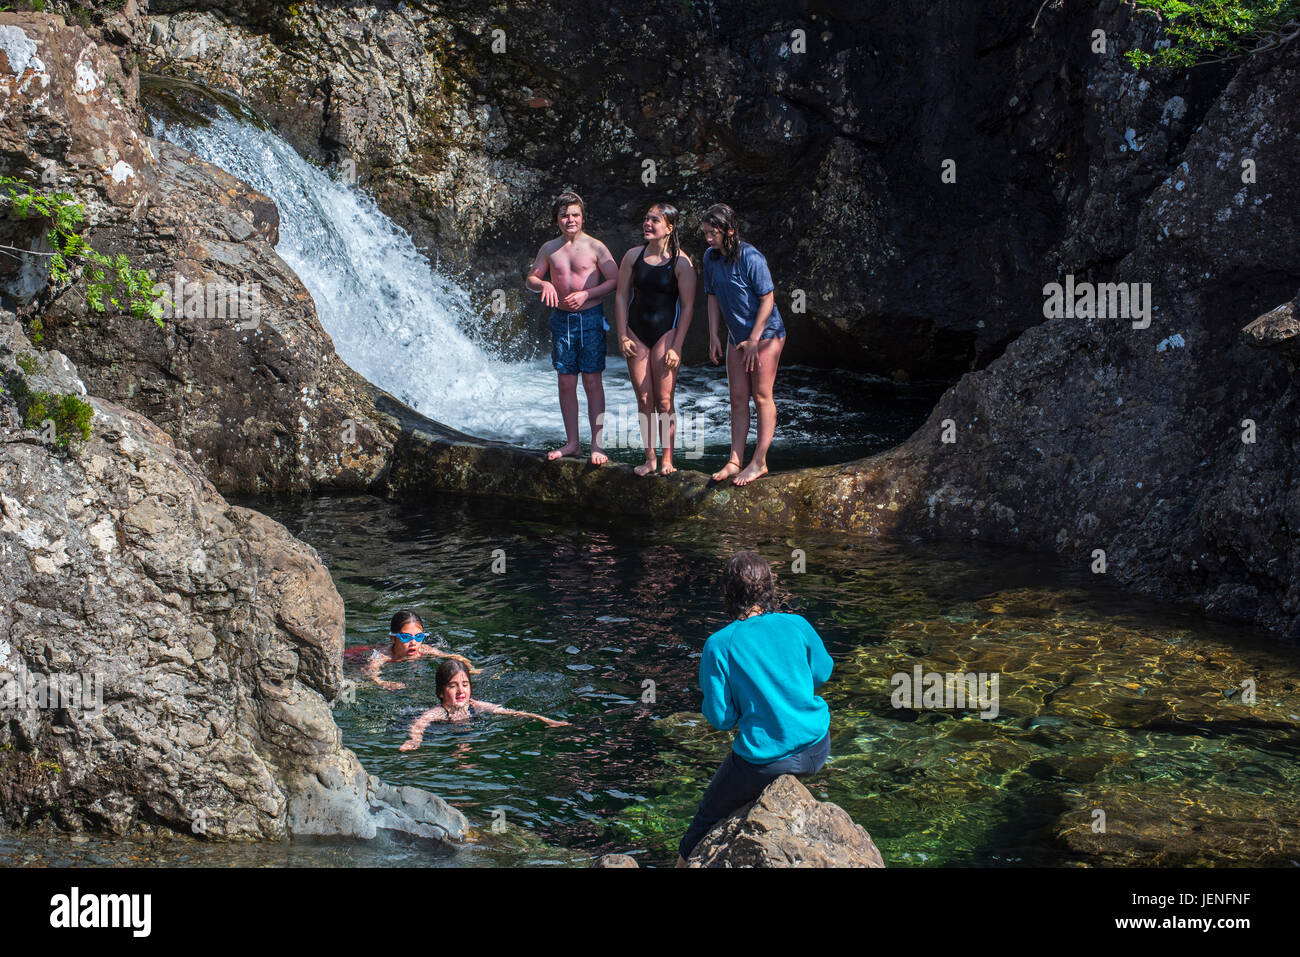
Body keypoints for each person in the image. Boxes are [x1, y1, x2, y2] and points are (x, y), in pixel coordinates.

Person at [676, 550, 833, 866]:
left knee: (706, 816)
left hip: (765, 763)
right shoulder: (798, 624)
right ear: (770, 589)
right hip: (818, 747)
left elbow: (721, 718)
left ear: (727, 592)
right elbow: (822, 672)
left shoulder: (720, 644)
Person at [526, 190, 620, 466]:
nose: (570, 219)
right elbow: (531, 278)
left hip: (590, 318)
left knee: (592, 381)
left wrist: (587, 295)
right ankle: (572, 443)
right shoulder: (549, 248)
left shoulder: (596, 247)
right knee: (566, 381)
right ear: (557, 219)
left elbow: (614, 280)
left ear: (583, 217)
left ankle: (597, 445)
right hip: (561, 320)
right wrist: (542, 283)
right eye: (565, 215)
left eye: (575, 214)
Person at [701, 203, 786, 486]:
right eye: (706, 233)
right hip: (736, 337)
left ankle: (759, 461)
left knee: (761, 396)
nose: (709, 239)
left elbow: (768, 298)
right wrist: (714, 334)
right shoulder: (710, 258)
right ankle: (735, 460)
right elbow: (712, 297)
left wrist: (754, 339)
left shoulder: (751, 257)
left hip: (766, 334)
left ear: (730, 231)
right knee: (738, 397)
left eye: (713, 233)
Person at [613, 202, 696, 476]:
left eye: (654, 221)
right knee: (644, 399)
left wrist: (677, 346)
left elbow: (687, 307)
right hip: (636, 333)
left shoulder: (681, 262)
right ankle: (650, 459)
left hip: (666, 334)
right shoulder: (632, 256)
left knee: (664, 401)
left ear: (669, 228)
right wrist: (622, 333)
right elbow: (622, 295)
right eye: (646, 219)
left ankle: (668, 459)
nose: (647, 224)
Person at [399, 659, 570, 750]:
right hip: (442, 731)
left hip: (464, 731)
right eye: (453, 686)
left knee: (464, 743)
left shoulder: (476, 706)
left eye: (465, 684)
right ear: (441, 692)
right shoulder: (439, 712)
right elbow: (420, 723)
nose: (461, 691)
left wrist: (542, 719)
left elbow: (509, 712)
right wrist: (415, 740)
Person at [363, 609, 477, 691]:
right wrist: (382, 682)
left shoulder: (424, 649)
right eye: (406, 637)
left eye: (418, 637)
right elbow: (371, 673)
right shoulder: (384, 655)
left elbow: (456, 657)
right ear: (393, 638)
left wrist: (471, 669)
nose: (413, 643)